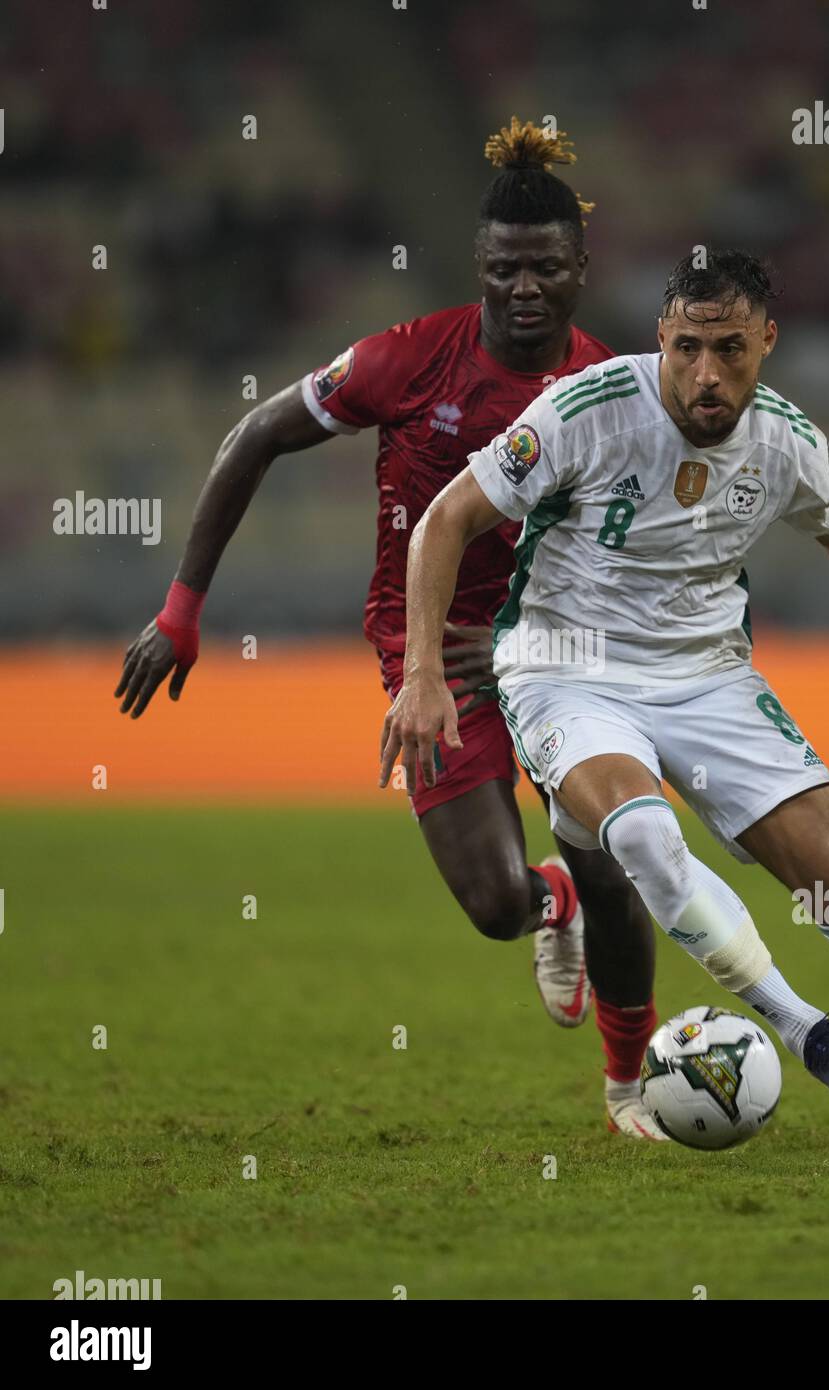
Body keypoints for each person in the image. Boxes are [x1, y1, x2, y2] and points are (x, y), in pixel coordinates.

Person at [381, 247, 829, 1159]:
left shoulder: (786, 440)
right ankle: (806, 1032)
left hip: (708, 676)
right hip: (568, 668)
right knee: (641, 833)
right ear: (661, 340)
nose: (704, 374)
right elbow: (447, 517)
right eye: (685, 348)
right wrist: (421, 675)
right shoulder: (583, 411)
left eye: (727, 349)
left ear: (767, 341)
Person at [114, 119, 662, 1139]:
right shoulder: (410, 359)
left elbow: (644, 553)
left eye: (546, 267)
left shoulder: (616, 393)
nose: (525, 288)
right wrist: (182, 609)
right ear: (480, 268)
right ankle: (551, 906)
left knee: (616, 862)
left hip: (563, 658)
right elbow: (255, 434)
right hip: (430, 660)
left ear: (582, 267)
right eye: (506, 269)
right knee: (499, 905)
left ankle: (631, 1085)